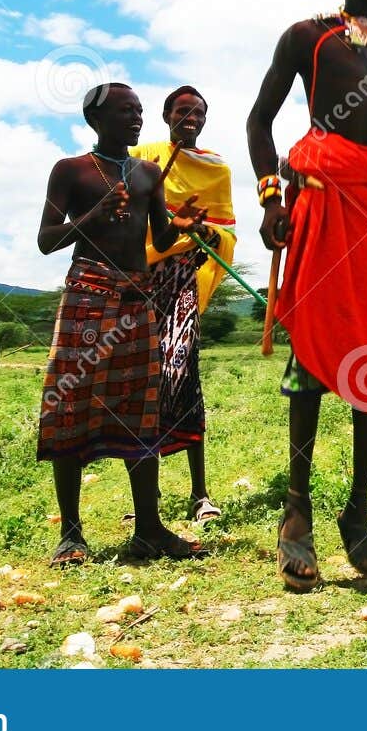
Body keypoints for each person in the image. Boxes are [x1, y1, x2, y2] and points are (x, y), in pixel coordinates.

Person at [247, 0, 367, 591]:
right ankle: (296, 512)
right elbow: (260, 120)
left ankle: (359, 508)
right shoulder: (306, 38)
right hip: (321, 205)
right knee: (313, 356)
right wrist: (269, 196)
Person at [35, 82, 211, 566]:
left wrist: (187, 226)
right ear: (95, 118)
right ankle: (71, 534)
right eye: (124, 111)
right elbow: (47, 240)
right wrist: (91, 216)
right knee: (70, 406)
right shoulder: (70, 171)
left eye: (137, 111)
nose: (135, 118)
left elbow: (161, 233)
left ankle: (149, 530)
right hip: (89, 296)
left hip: (137, 296)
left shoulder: (148, 173)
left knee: (140, 411)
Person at [130, 85, 237, 523]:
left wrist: (208, 234)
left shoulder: (217, 170)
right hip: (138, 279)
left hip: (181, 281)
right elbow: (125, 219)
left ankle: (199, 493)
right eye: (182, 112)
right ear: (166, 115)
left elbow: (226, 229)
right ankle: (146, 495)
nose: (190, 119)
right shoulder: (141, 158)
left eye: (197, 113)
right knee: (141, 382)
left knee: (181, 372)